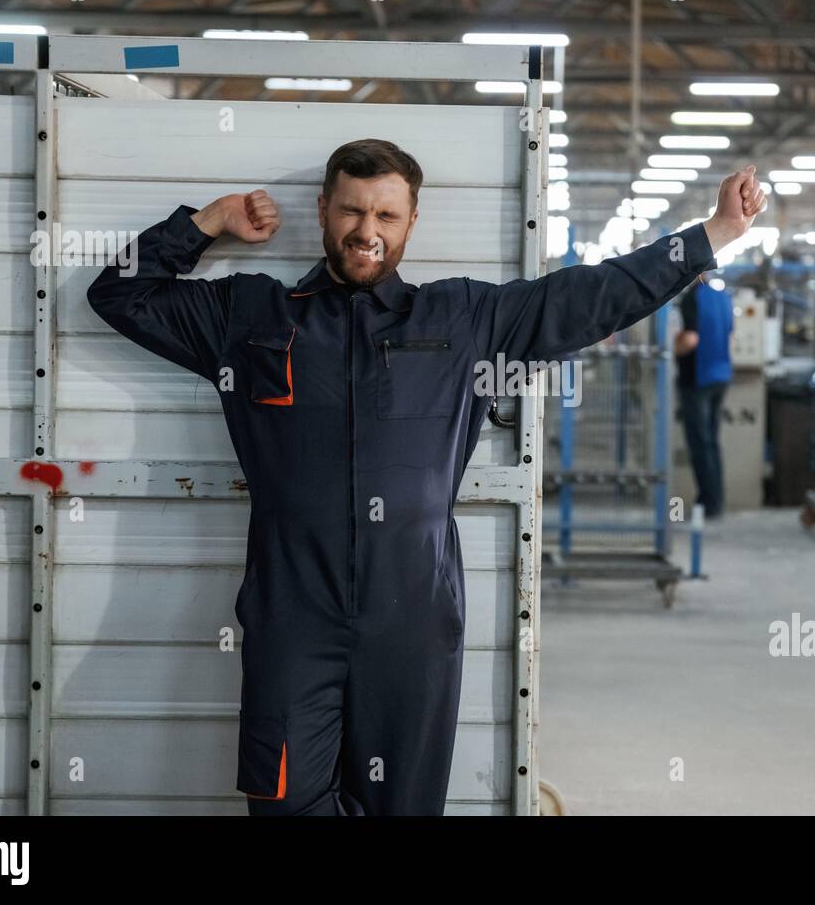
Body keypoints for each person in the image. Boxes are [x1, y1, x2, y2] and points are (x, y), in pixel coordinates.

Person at [87, 139, 766, 815]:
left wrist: (714, 234)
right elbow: (118, 292)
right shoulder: (251, 315)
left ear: (412, 221)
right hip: (292, 618)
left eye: (386, 216)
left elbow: (594, 296)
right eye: (352, 211)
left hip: (412, 619)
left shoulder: (463, 319)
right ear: (324, 211)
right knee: (282, 804)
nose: (366, 231)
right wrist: (208, 222)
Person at [675, 273, 734, 519]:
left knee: (700, 443)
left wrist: (670, 351)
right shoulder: (723, 297)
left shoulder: (691, 298)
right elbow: (730, 336)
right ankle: (715, 499)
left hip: (697, 378)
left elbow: (690, 339)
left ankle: (709, 503)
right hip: (721, 375)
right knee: (711, 439)